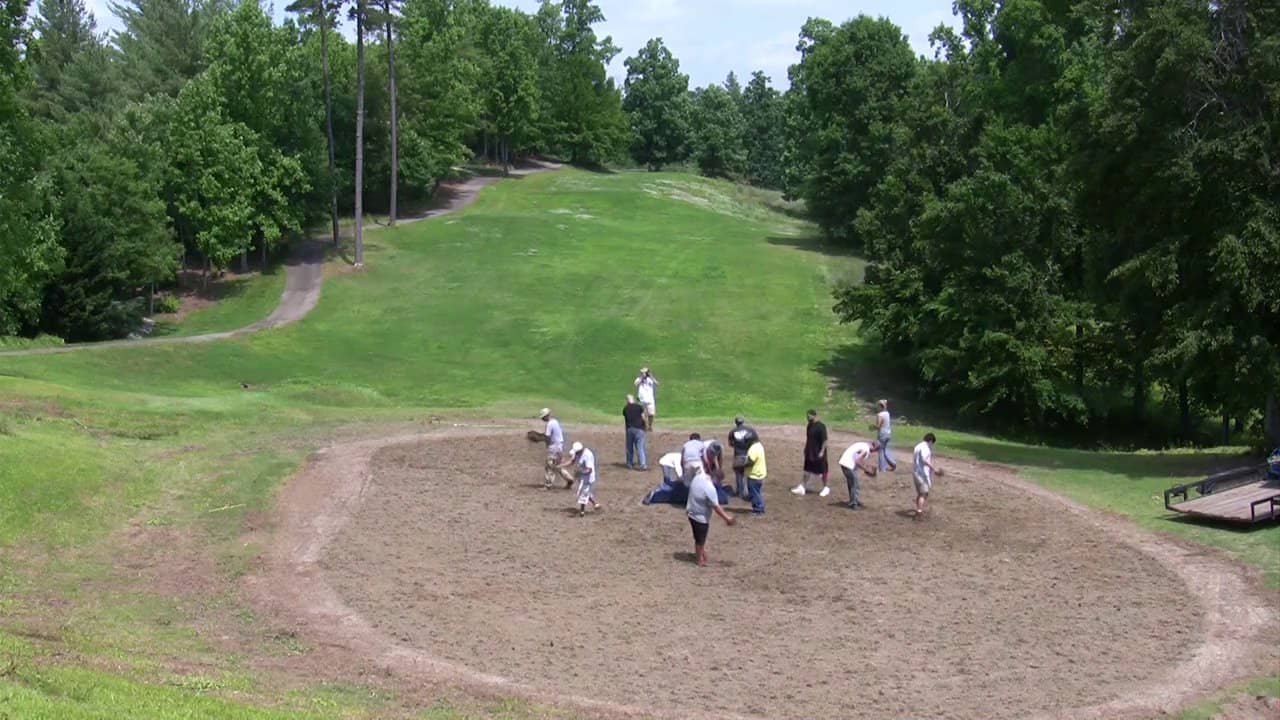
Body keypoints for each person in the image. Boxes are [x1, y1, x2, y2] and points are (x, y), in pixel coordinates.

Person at [686, 465, 736, 567]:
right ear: (717, 479)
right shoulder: (710, 488)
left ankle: (702, 554)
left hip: (690, 511)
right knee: (700, 539)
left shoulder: (698, 477)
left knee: (698, 537)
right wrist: (727, 518)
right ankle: (700, 560)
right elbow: (716, 507)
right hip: (700, 517)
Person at [792, 409, 830, 497]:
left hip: (819, 452)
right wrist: (806, 449)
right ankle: (802, 487)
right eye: (807, 416)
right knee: (807, 469)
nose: (807, 418)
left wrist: (822, 451)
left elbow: (825, 440)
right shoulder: (809, 425)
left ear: (814, 416)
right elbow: (809, 439)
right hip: (810, 451)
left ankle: (825, 487)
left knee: (822, 470)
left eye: (809, 416)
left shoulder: (821, 426)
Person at [837, 440, 880, 509]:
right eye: (876, 450)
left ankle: (854, 500)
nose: (874, 452)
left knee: (852, 483)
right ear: (874, 448)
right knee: (855, 485)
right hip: (848, 465)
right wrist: (866, 469)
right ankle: (853, 503)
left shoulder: (862, 445)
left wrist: (866, 466)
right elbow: (857, 461)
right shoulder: (866, 450)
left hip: (844, 463)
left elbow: (857, 458)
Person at [539, 408, 574, 489]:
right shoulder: (555, 422)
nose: (542, 418)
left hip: (553, 448)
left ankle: (547, 485)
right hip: (559, 447)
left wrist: (546, 444)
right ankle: (569, 479)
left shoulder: (549, 424)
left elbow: (547, 437)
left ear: (547, 415)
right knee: (558, 466)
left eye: (543, 417)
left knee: (549, 466)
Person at [565, 441, 602, 517]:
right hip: (582, 477)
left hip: (588, 478)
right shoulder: (578, 454)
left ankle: (582, 511)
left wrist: (580, 472)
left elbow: (589, 470)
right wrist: (560, 466)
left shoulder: (587, 455)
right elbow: (572, 461)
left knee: (583, 493)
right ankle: (595, 504)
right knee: (584, 492)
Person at [911, 433, 943, 519]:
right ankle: (919, 512)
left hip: (915, 472)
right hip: (922, 474)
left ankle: (918, 509)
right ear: (930, 441)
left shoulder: (918, 446)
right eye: (932, 443)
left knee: (920, 493)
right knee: (924, 494)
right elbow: (925, 460)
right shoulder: (925, 448)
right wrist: (934, 468)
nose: (932, 445)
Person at [727, 416, 759, 499]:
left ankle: (740, 492)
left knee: (739, 474)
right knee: (750, 473)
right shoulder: (751, 430)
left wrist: (738, 445)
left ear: (736, 423)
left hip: (738, 455)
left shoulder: (732, 432)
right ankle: (750, 492)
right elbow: (756, 441)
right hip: (749, 455)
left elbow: (730, 444)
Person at [743, 437, 768, 516]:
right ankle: (760, 507)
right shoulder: (759, 445)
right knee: (757, 492)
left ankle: (758, 509)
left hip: (754, 475)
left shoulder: (753, 449)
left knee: (754, 493)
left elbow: (750, 462)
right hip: (760, 473)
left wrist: (742, 465)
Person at [623, 394, 648, 470]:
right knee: (640, 447)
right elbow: (643, 418)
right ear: (633, 400)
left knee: (629, 447)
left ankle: (629, 463)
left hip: (630, 429)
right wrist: (646, 426)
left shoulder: (625, 409)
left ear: (627, 401)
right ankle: (642, 464)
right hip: (639, 429)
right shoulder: (639, 407)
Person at [875, 399, 898, 472]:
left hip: (882, 434)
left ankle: (882, 469)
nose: (877, 407)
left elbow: (879, 426)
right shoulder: (887, 413)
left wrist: (872, 427)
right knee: (886, 450)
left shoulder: (879, 415)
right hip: (888, 434)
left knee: (881, 451)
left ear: (880, 406)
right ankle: (893, 463)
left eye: (878, 406)